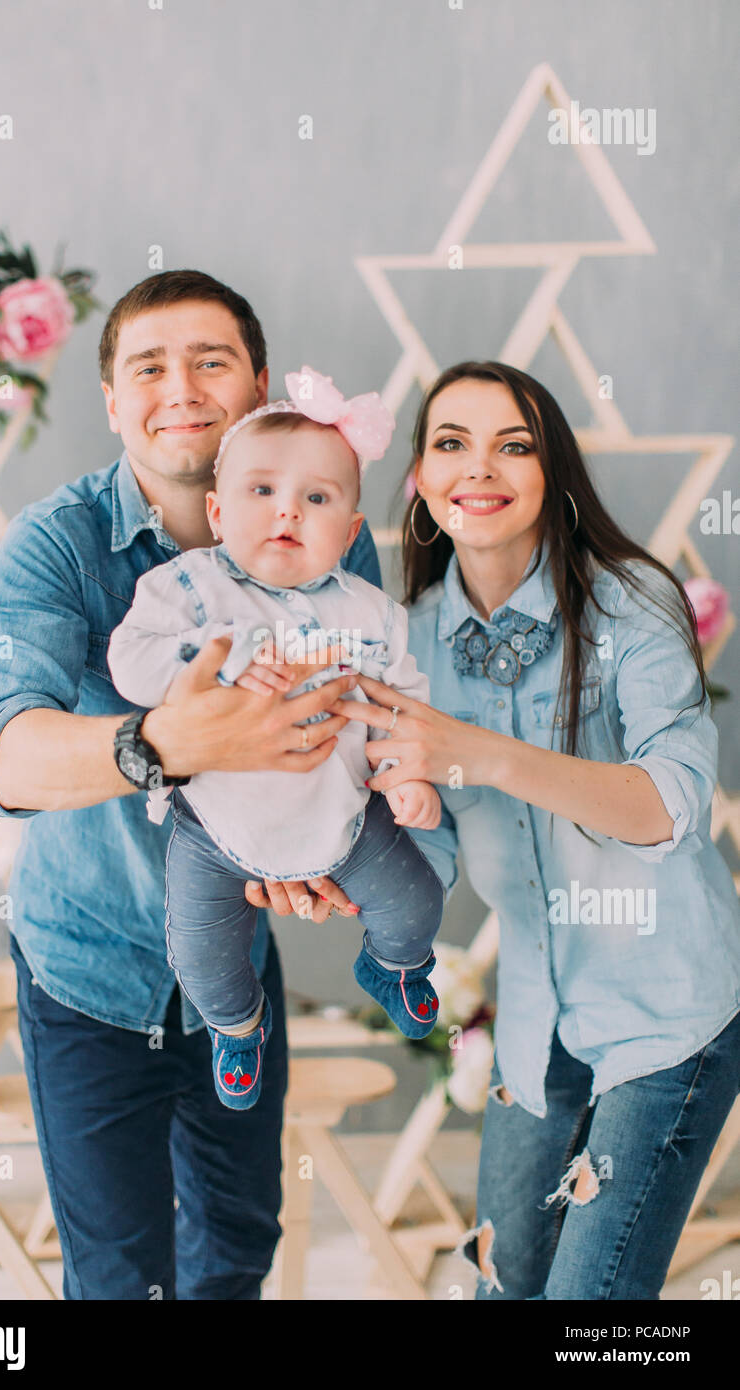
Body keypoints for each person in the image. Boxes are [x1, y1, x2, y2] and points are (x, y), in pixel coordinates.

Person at [0, 270, 381, 1300]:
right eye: (148, 367)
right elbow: (6, 757)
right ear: (112, 401)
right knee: (119, 1276)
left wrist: (319, 849)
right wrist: (158, 741)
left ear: (258, 387)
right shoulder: (56, 545)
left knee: (239, 1246)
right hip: (87, 972)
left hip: (235, 965)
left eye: (209, 361)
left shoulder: (328, 523)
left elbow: (348, 733)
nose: (180, 386)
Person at [331, 360, 740, 1300]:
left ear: (553, 474)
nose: (481, 466)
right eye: (451, 444)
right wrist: (334, 869)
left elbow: (671, 806)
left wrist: (478, 750)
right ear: (423, 487)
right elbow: (427, 839)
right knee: (500, 1290)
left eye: (514, 444)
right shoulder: (410, 637)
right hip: (535, 1026)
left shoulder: (631, 602)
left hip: (666, 1021)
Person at [107, 366, 445, 1109]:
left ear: (351, 532)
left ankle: (396, 966)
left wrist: (409, 775)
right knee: (201, 953)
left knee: (417, 902)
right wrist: (205, 660)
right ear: (217, 511)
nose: (287, 512)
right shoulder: (191, 589)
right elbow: (129, 663)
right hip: (214, 829)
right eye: (262, 492)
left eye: (316, 499)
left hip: (347, 818)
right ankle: (238, 1025)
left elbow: (401, 703)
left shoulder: (370, 614)